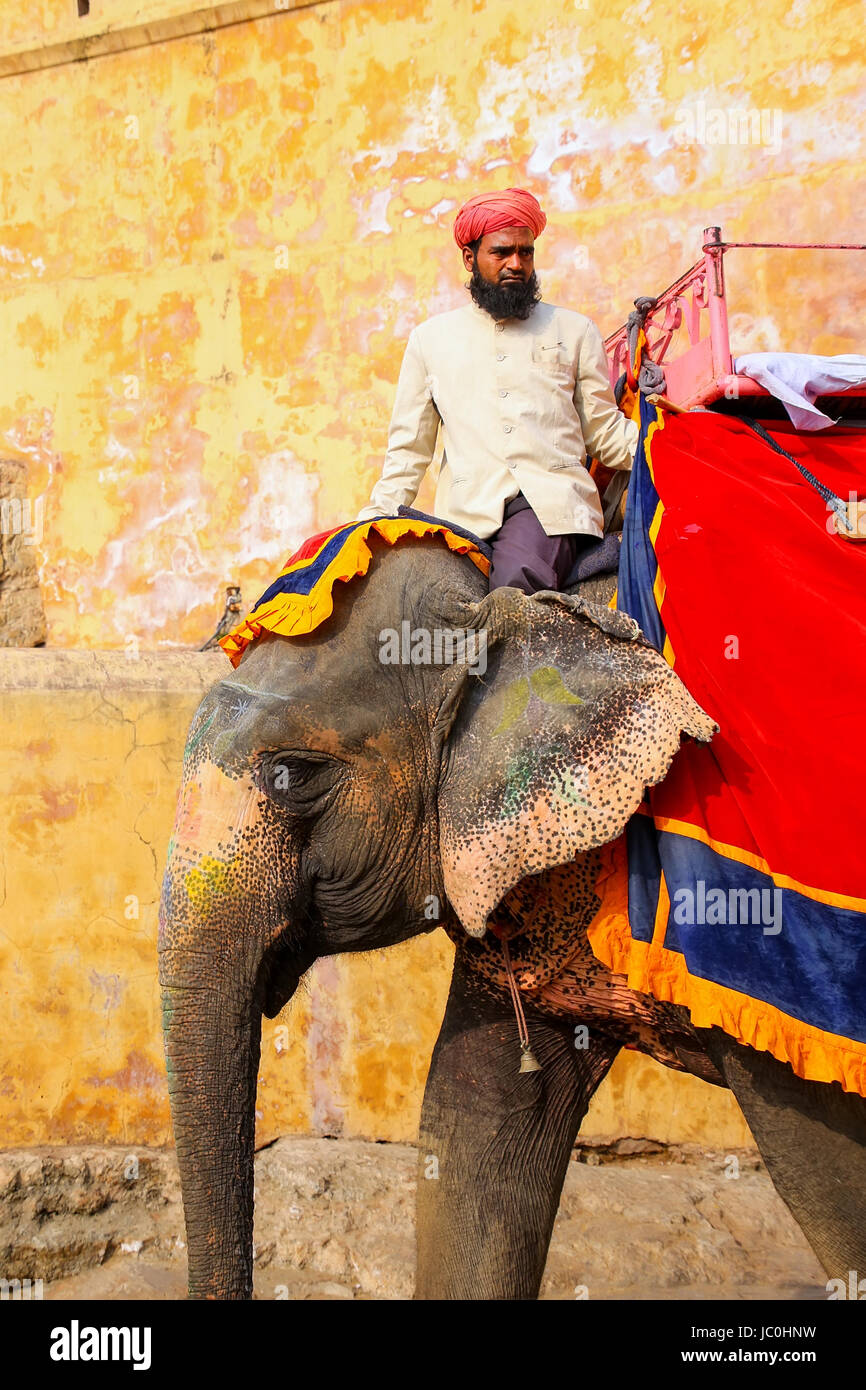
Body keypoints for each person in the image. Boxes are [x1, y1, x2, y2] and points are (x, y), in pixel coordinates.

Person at [357, 187, 638, 594]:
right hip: (465, 517)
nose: (516, 264)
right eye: (502, 253)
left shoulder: (575, 330)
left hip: (551, 507)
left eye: (526, 253)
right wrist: (374, 518)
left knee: (512, 590)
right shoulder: (430, 340)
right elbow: (408, 451)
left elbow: (605, 435)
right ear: (470, 258)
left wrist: (670, 448)